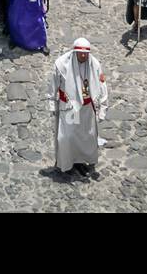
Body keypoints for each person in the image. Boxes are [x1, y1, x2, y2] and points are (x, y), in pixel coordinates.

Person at [47, 37, 109, 176]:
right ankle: (68, 163)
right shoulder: (61, 65)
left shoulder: (95, 64)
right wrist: (52, 103)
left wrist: (103, 109)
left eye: (86, 53)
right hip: (69, 107)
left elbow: (102, 87)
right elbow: (53, 84)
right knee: (67, 136)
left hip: (87, 108)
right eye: (80, 52)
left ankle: (81, 162)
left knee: (86, 136)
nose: (83, 55)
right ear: (74, 52)